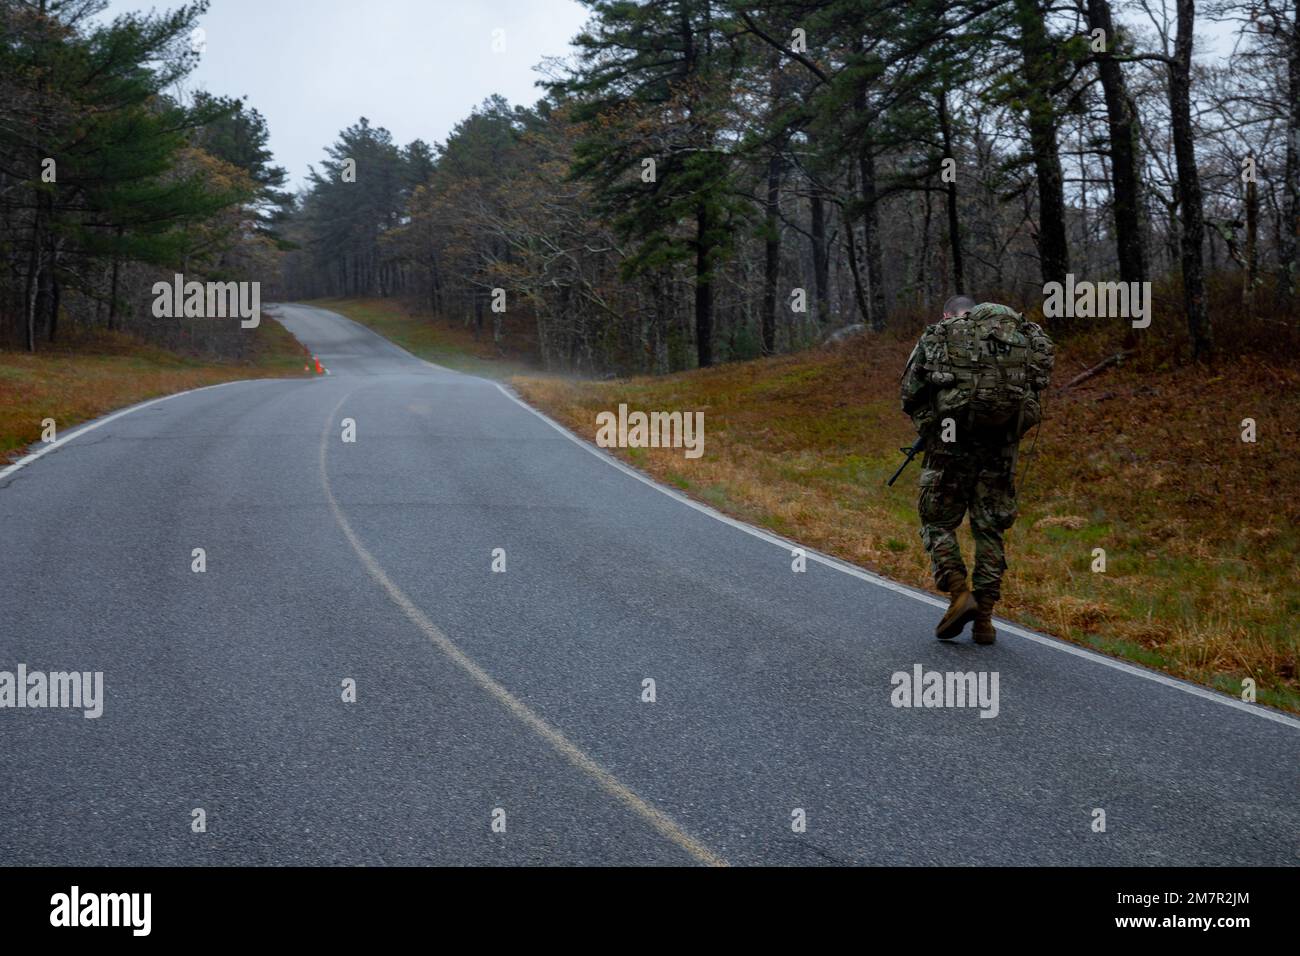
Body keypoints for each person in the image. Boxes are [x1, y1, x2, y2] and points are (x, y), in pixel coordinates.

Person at [899, 295, 1054, 644]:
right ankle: (984, 620)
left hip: (949, 445)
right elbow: (1032, 396)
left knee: (937, 521)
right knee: (990, 530)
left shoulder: (941, 336)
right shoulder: (1021, 340)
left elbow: (910, 393)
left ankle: (958, 592)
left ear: (948, 315)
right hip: (1000, 450)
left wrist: (933, 429)